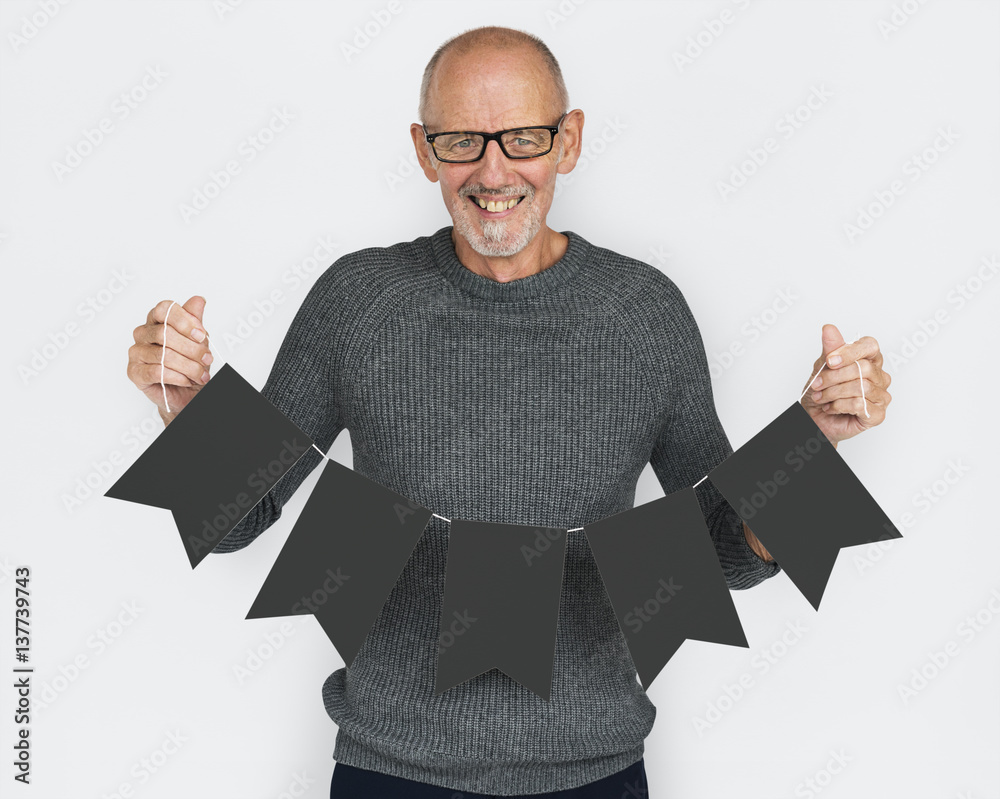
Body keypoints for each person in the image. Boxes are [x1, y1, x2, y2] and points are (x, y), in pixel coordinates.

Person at [125, 25, 892, 799]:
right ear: (424, 150)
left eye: (523, 137)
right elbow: (238, 520)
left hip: (596, 774)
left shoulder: (645, 312)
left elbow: (727, 550)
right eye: (462, 140)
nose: (493, 171)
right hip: (391, 771)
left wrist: (813, 441)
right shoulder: (356, 301)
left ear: (570, 141)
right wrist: (186, 409)